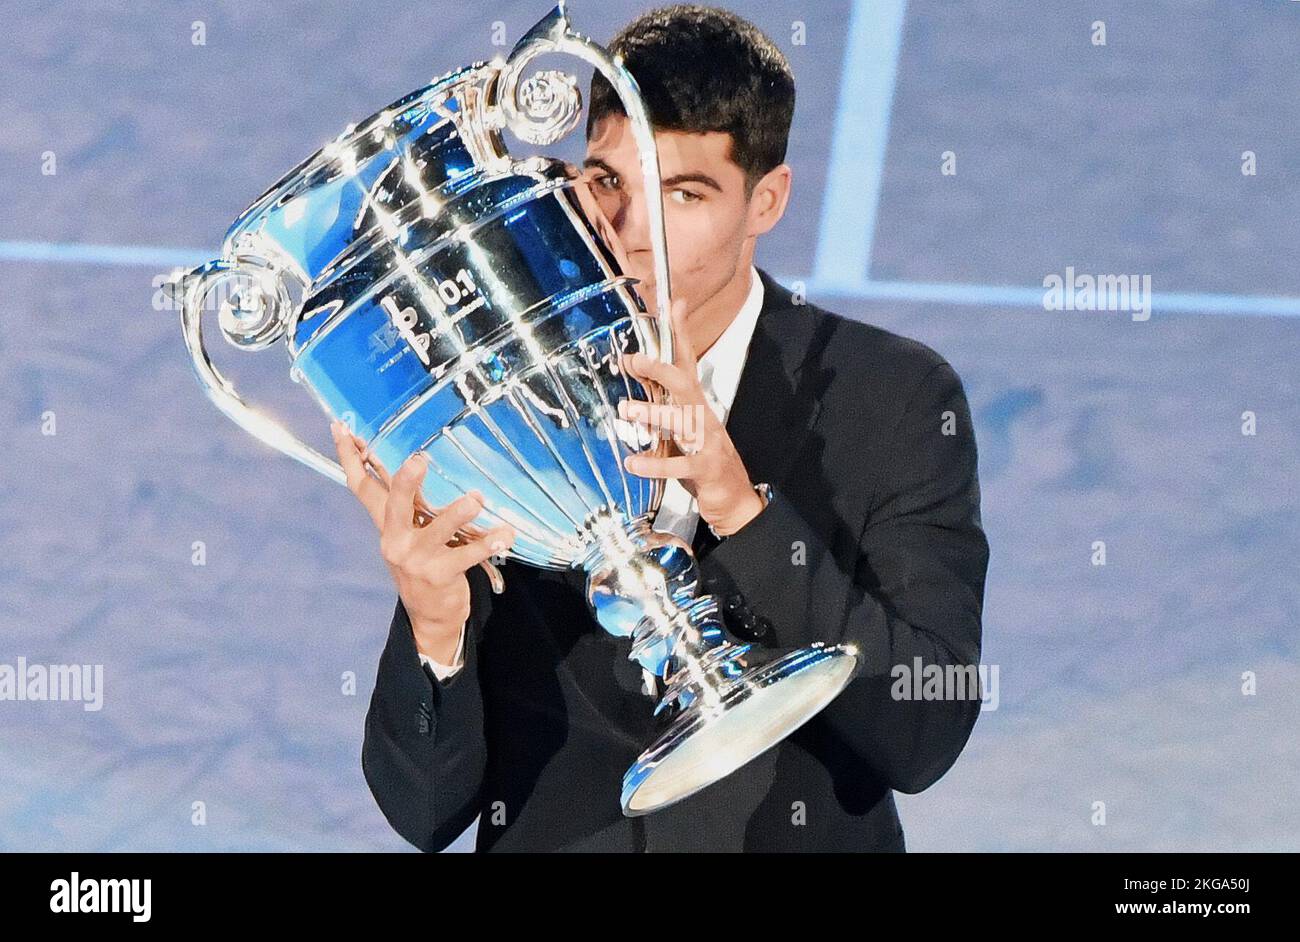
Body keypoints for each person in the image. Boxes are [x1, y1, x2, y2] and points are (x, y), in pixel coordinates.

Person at [334, 4, 990, 852]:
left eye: (683, 193)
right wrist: (434, 625)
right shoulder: (490, 400)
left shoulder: (893, 397)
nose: (631, 233)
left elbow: (922, 732)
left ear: (766, 201)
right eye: (609, 183)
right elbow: (423, 813)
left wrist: (740, 511)